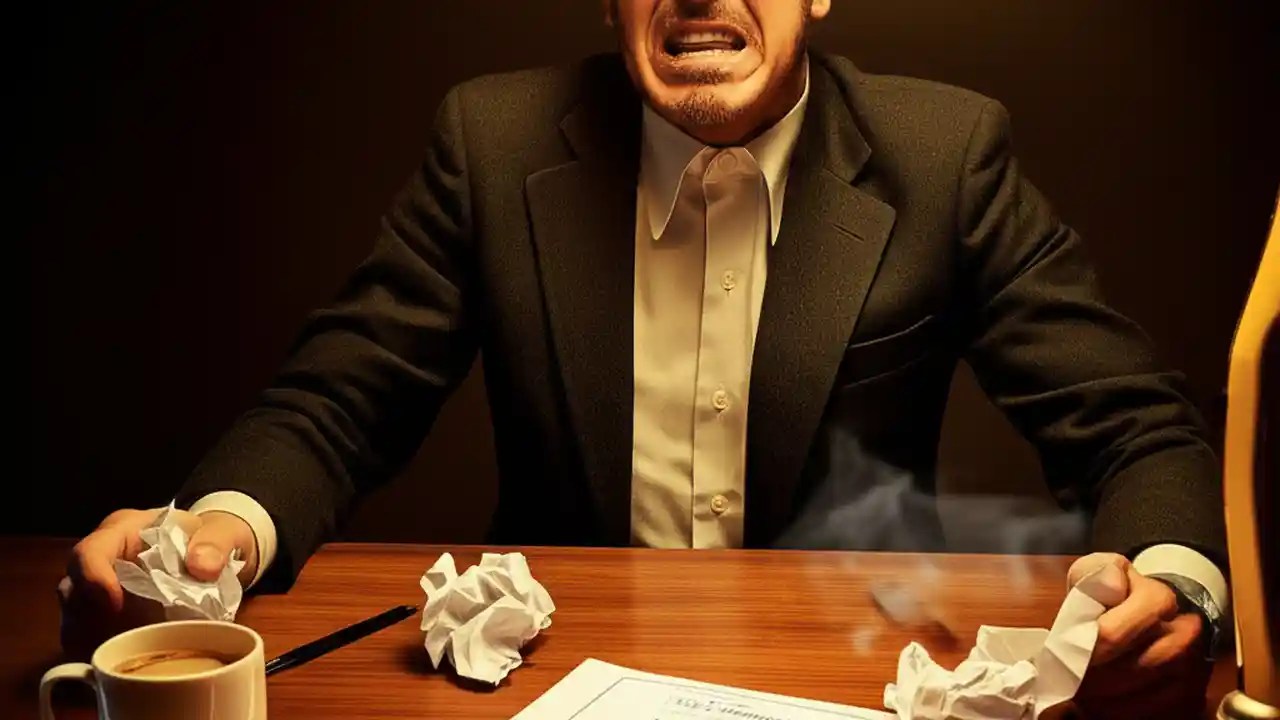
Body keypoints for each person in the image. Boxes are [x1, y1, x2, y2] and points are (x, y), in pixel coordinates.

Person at [63, 1, 1227, 716]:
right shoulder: (492, 140)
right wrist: (215, 529)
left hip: (853, 675)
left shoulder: (946, 152)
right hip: (545, 681)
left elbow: (1131, 423)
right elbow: (338, 402)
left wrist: (1171, 584)